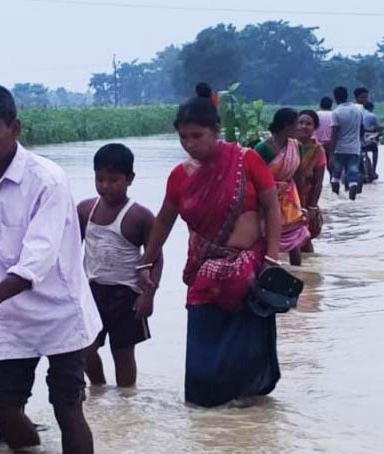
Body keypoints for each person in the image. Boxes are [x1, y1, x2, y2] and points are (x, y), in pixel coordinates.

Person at [0, 85, 100, 454]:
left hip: (58, 311)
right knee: (2, 406)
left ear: (14, 128)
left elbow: (39, 257)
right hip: (5, 314)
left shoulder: (47, 179)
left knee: (67, 407)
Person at [136, 86, 284, 408]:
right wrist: (145, 263)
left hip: (250, 271)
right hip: (205, 275)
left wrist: (272, 258)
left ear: (216, 132)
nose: (190, 144)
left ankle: (244, 417)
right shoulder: (179, 176)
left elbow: (273, 209)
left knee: (245, 351)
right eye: (183, 138)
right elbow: (164, 221)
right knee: (203, 352)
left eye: (197, 136)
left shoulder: (246, 161)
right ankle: (205, 416)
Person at [77, 143, 161, 388]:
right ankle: (98, 389)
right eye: (100, 179)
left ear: (130, 179)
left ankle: (126, 399)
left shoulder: (140, 216)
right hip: (91, 291)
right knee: (85, 347)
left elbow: (156, 256)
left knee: (123, 353)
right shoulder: (85, 210)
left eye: (113, 180)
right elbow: (69, 250)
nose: (105, 186)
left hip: (126, 294)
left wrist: (148, 296)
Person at [254, 108, 311, 267]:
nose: (299, 128)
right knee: (266, 238)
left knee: (294, 241)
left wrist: (303, 206)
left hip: (289, 200)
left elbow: (299, 176)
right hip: (266, 199)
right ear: (286, 126)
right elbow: (254, 178)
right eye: (296, 124)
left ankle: (299, 277)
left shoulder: (296, 146)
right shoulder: (263, 149)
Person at [296, 109, 327, 250]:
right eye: (301, 122)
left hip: (306, 197)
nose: (304, 126)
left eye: (308, 124)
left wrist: (312, 207)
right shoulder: (288, 145)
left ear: (315, 128)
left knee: (304, 237)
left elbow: (318, 182)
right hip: (285, 197)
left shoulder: (318, 150)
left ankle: (309, 269)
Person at [330, 86, 364, 200]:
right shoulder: (357, 110)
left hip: (340, 149)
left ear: (335, 97)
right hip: (354, 148)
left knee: (336, 175)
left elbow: (334, 133)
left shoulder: (336, 112)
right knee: (353, 175)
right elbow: (361, 128)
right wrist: (359, 141)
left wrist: (331, 152)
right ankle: (352, 201)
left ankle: (336, 199)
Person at [362, 101, 382, 180]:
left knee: (364, 152)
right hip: (368, 139)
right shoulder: (372, 115)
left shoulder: (360, 113)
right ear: (371, 108)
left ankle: (366, 171)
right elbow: (377, 127)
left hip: (359, 139)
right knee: (375, 150)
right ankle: (373, 170)